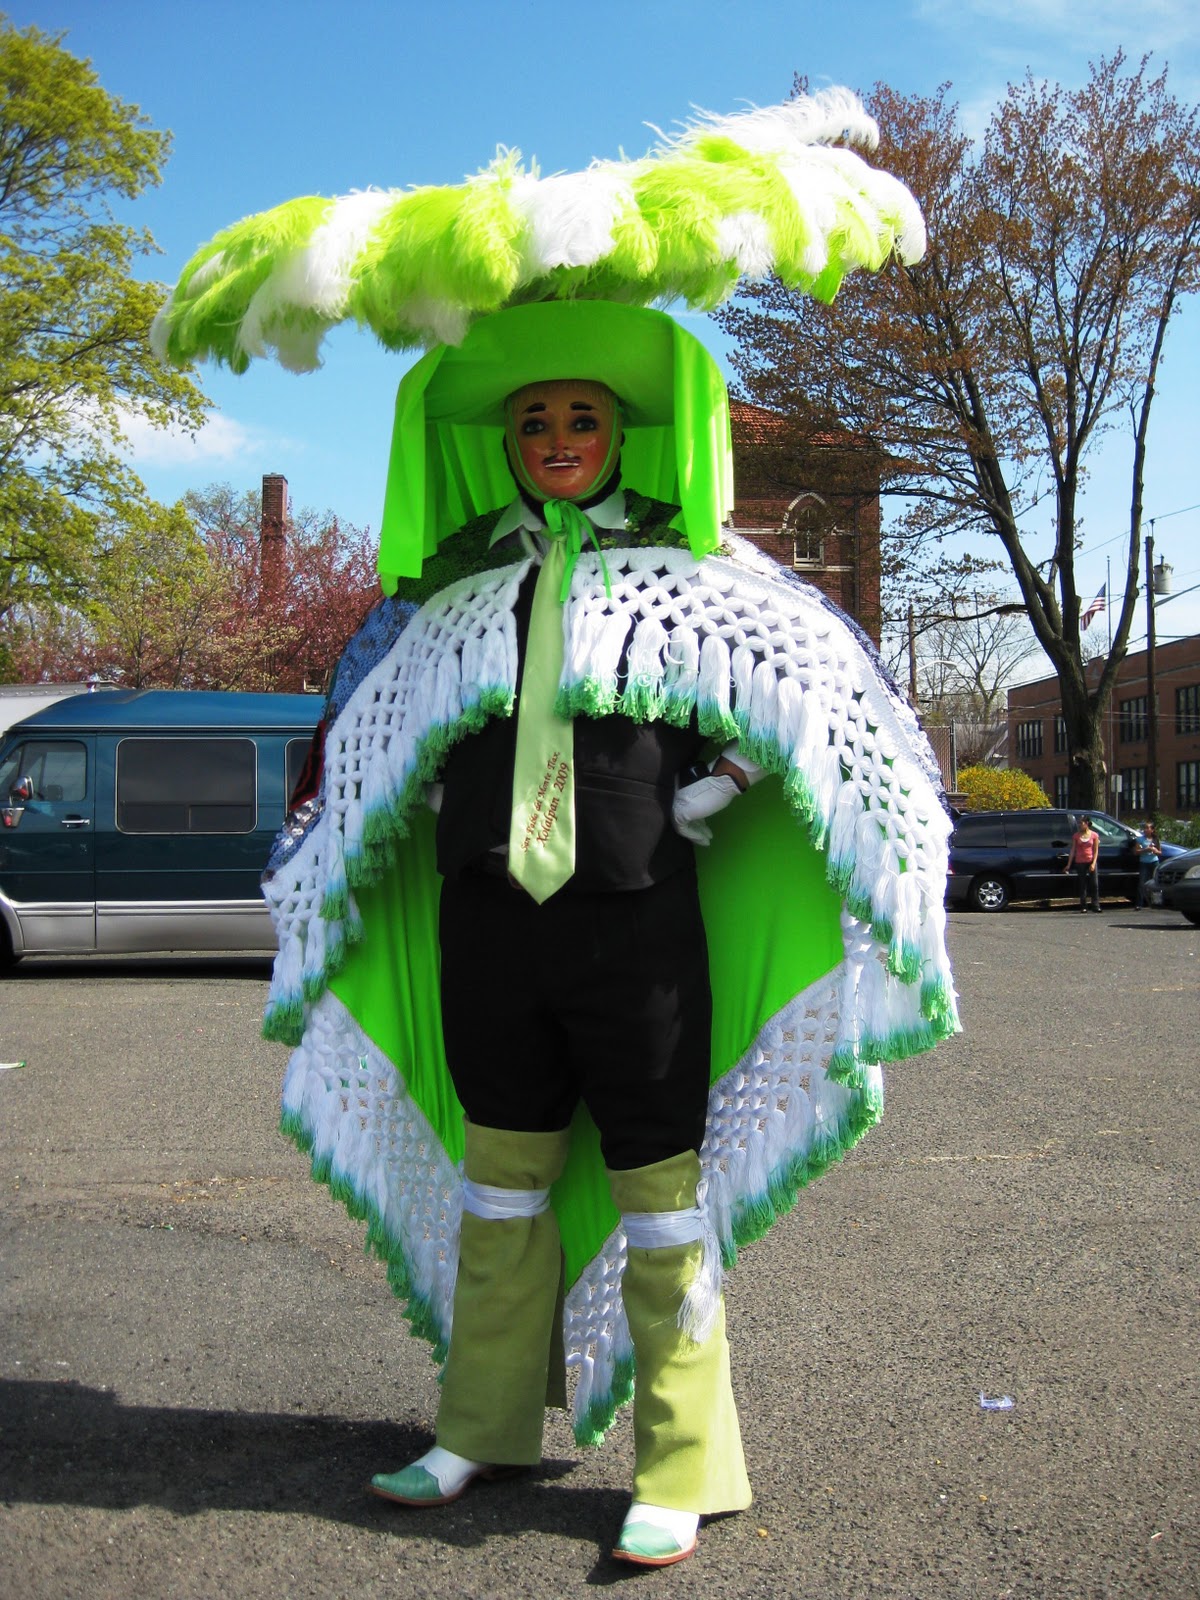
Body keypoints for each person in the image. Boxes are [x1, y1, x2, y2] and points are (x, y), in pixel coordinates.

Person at [153, 93, 960, 1570]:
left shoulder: (691, 564)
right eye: (535, 420)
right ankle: (479, 1425)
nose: (560, 439)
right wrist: (383, 806)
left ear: (620, 428)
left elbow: (822, 685)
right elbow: (361, 725)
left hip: (637, 924)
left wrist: (713, 791)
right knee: (498, 1181)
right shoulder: (448, 580)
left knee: (661, 1195)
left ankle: (682, 1459)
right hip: (488, 922)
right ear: (508, 440)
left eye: (582, 416)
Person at [1065, 815, 1101, 912]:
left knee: (1094, 884)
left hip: (1090, 861)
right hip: (1080, 862)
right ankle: (1083, 906)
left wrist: (1093, 863)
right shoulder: (1076, 836)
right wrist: (1069, 864)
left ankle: (1095, 905)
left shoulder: (1094, 835)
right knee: (1082, 884)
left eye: (1081, 823)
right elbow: (1073, 850)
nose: (1079, 825)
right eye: (1079, 823)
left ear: (1087, 823)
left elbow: (1096, 850)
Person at [1136, 820, 1162, 908]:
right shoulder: (1140, 839)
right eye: (1145, 828)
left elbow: (1160, 852)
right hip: (1144, 862)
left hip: (1154, 862)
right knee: (1142, 882)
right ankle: (1139, 903)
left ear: (1152, 830)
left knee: (1155, 882)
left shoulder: (1156, 839)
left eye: (1148, 828)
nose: (1146, 830)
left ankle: (1156, 902)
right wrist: (1145, 850)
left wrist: (1155, 851)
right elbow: (1136, 851)